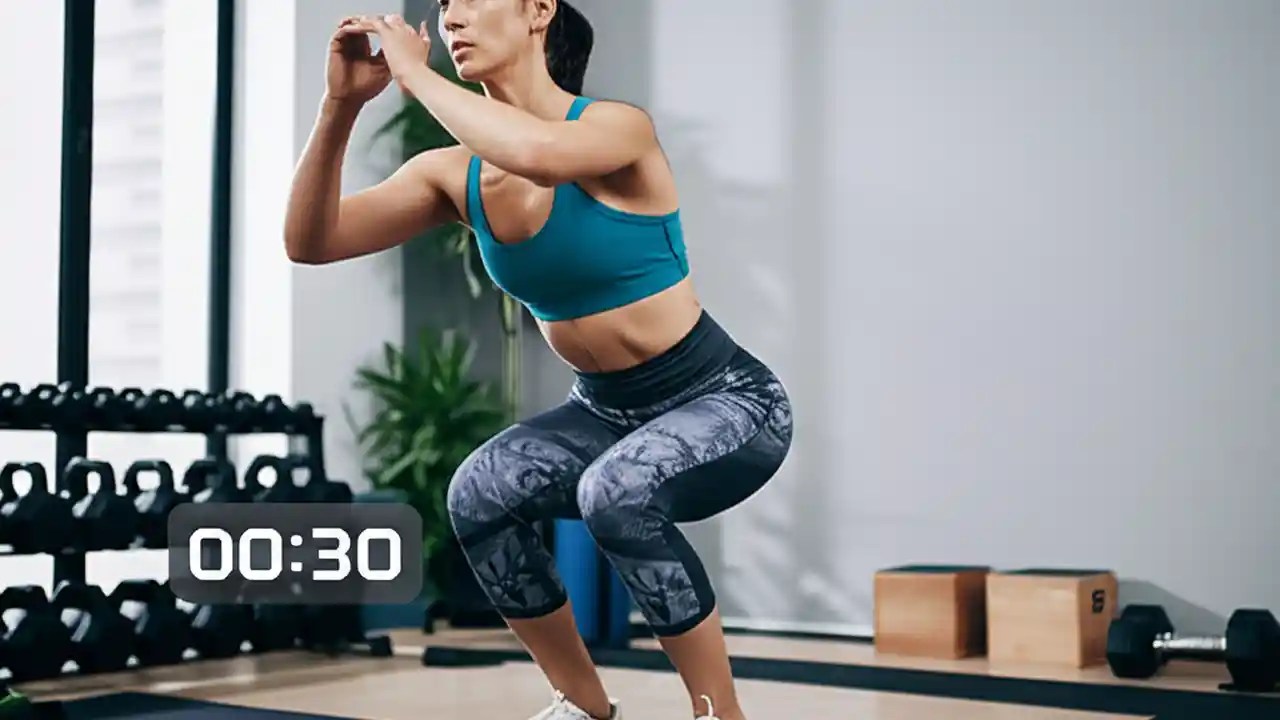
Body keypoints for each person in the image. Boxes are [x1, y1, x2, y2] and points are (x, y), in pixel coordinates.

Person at [284, 3, 793, 719]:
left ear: (537, 10)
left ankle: (719, 715)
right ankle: (583, 706)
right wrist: (339, 106)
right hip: (605, 413)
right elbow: (312, 240)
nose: (450, 15)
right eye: (444, 2)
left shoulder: (616, 129)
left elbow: (539, 155)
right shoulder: (450, 175)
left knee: (615, 492)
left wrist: (413, 74)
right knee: (480, 494)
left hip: (726, 401)